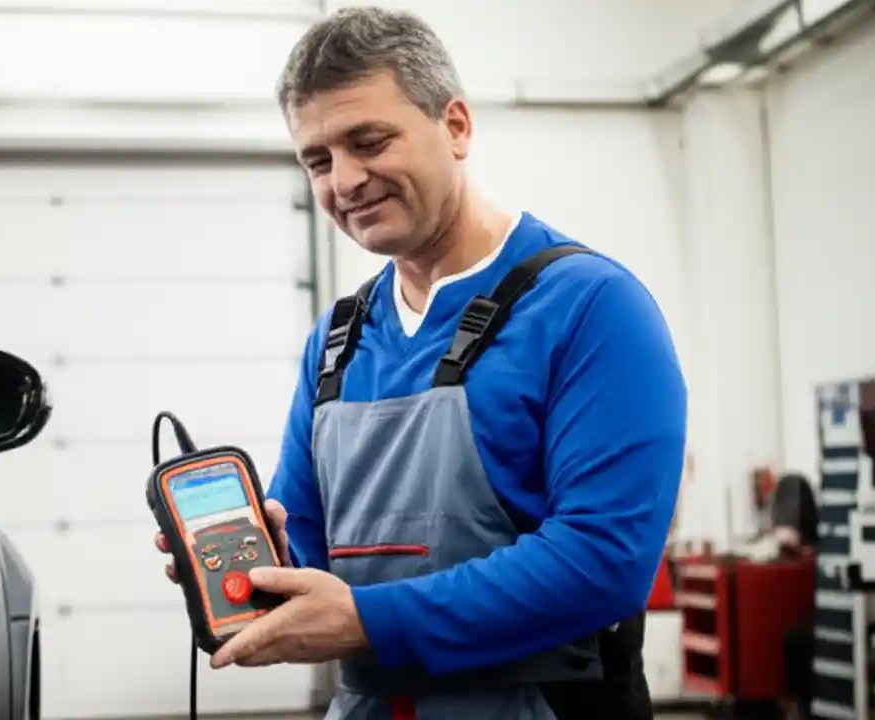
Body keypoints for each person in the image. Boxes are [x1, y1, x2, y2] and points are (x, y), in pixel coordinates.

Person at [156, 7, 687, 719]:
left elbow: (604, 560)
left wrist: (367, 620)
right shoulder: (337, 340)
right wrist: (262, 570)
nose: (344, 181)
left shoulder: (592, 308)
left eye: (368, 141)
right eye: (317, 160)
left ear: (457, 126)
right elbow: (310, 542)